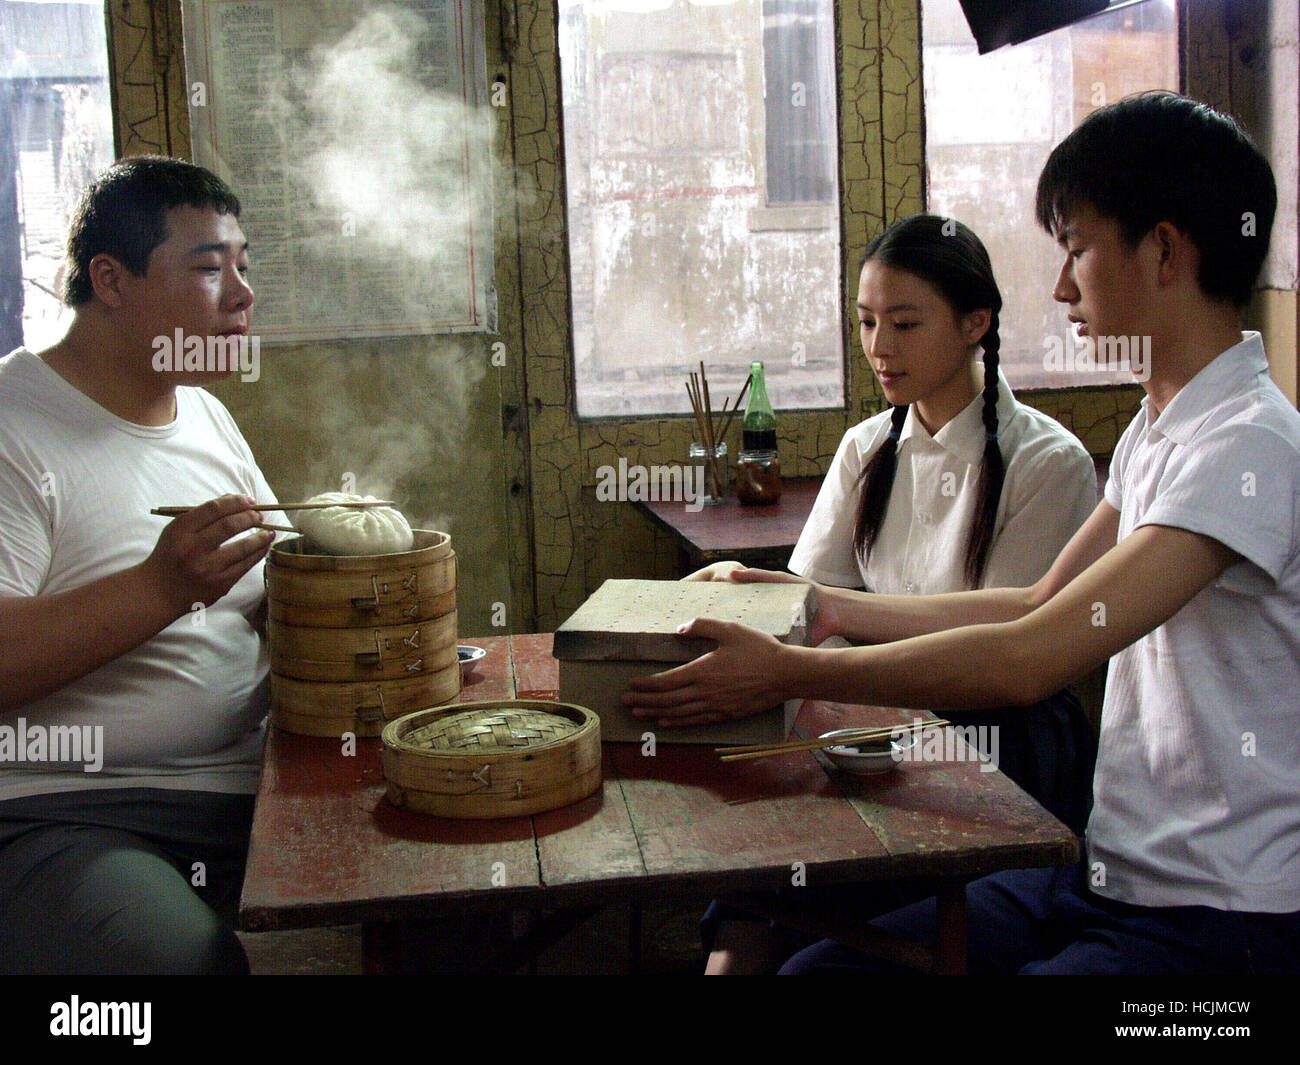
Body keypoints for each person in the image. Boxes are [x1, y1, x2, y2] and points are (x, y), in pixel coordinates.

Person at [626, 91, 1300, 974]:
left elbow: (1032, 655)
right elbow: (1035, 599)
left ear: (1166, 249)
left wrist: (793, 666)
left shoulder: (1247, 444)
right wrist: (821, 605)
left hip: (1220, 919)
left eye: (1077, 249)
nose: (1061, 285)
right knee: (816, 973)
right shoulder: (1159, 428)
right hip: (1104, 874)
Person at [692, 214, 1099, 834]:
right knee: (753, 833)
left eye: (905, 324)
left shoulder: (1047, 463)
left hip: (999, 734)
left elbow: (1013, 642)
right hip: (876, 711)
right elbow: (809, 606)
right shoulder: (866, 447)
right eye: (867, 321)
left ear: (975, 323)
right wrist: (748, 593)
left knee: (844, 864)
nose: (880, 347)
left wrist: (827, 636)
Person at [0, 156, 281, 974]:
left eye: (243, 264)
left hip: (248, 789)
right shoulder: (15, 425)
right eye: (206, 267)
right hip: (65, 812)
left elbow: (266, 588)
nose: (241, 293)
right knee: (173, 965)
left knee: (445, 863)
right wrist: (162, 587)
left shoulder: (206, 414)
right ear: (111, 282)